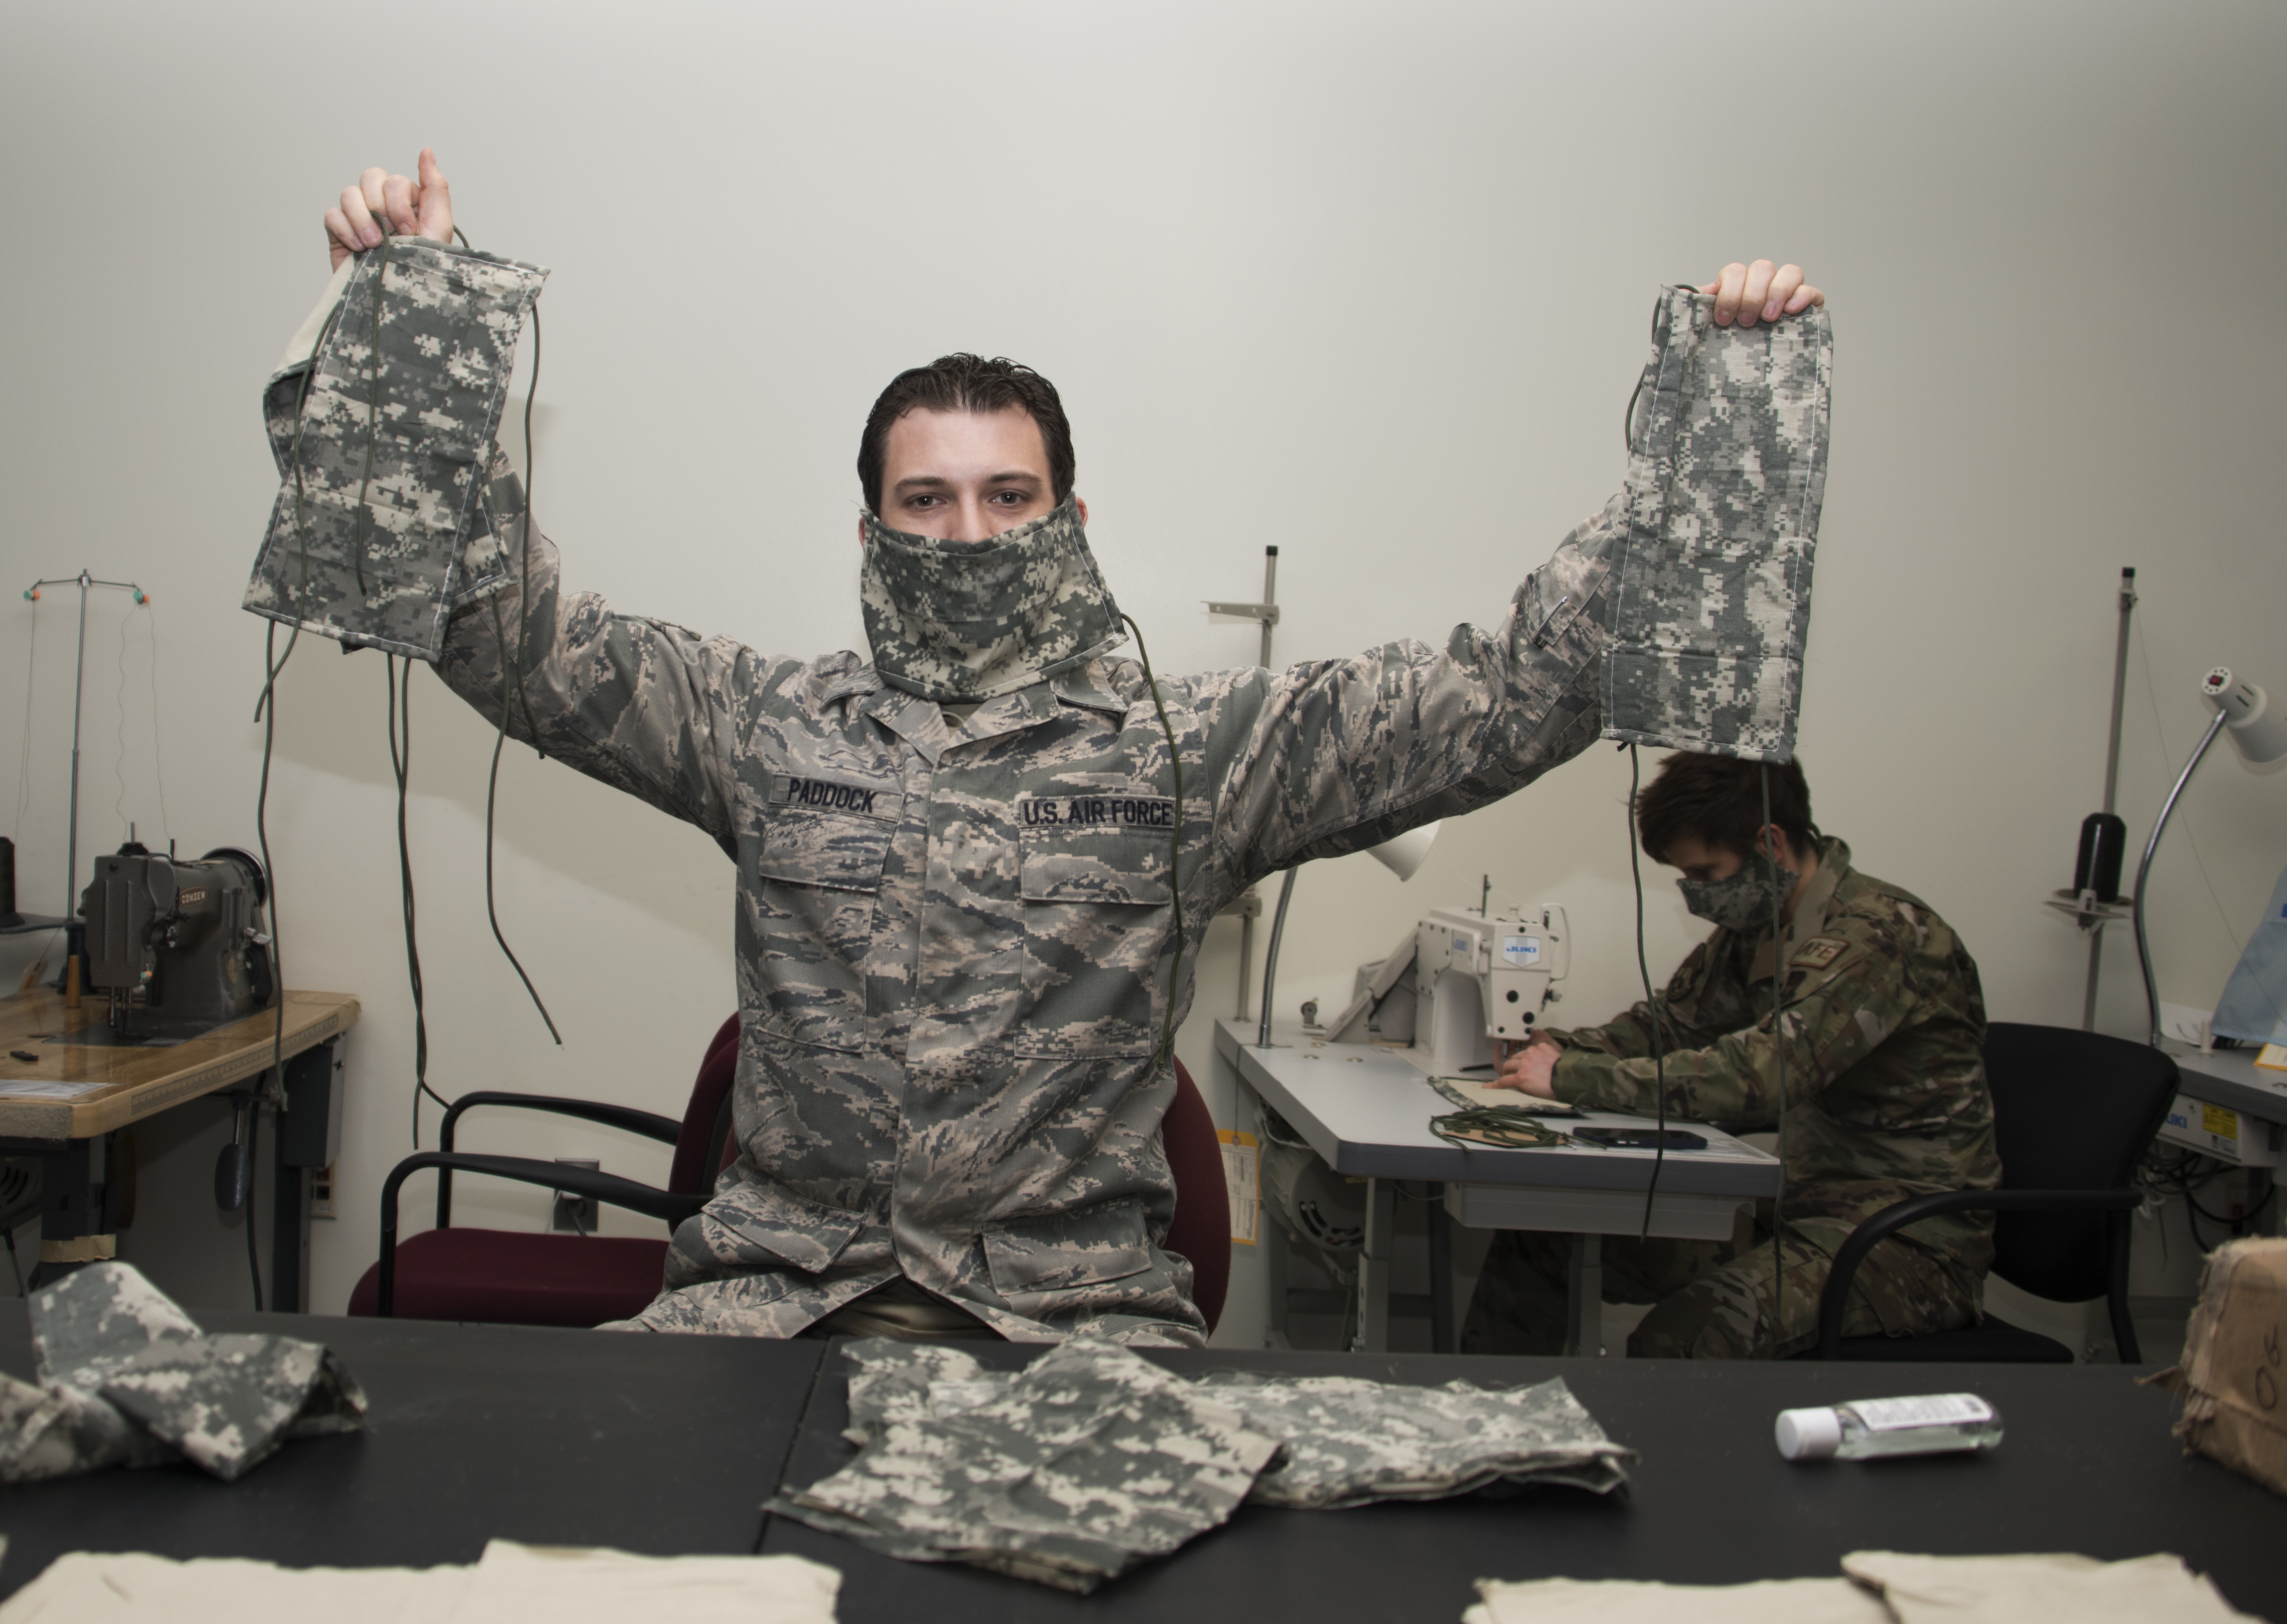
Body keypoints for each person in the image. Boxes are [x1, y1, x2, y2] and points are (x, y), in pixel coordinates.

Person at [291, 149, 1826, 1347]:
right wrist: (409, 331)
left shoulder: (1198, 748)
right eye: (929, 500)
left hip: (1071, 1331)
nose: (970, 537)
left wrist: (1723, 424)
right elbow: (508, 636)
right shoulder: (762, 723)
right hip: (761, 1308)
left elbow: (1515, 694)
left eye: (1009, 498)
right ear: (874, 533)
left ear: (1069, 526)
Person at [1472, 752, 2000, 1358]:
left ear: (1770, 844)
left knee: (1690, 1335)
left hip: (1899, 1241)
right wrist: (1560, 1046)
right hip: (1794, 1215)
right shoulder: (1763, 927)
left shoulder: (1878, 938)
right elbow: (1675, 1025)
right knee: (1540, 1237)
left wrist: (1572, 1077)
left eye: (1706, 873)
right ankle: (1496, 1435)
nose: (1697, 895)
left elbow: (1760, 1078)